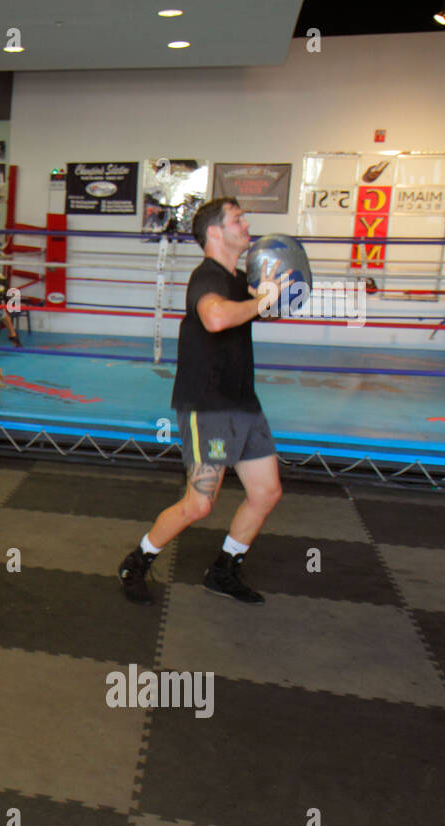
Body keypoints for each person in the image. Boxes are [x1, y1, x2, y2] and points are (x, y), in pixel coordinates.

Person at [118, 197, 285, 606]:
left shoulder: (239, 278)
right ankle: (136, 562)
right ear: (214, 232)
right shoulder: (206, 277)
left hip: (244, 404)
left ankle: (223, 570)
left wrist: (273, 294)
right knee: (199, 504)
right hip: (208, 407)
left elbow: (259, 311)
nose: (246, 225)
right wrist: (262, 301)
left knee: (266, 493)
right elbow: (214, 317)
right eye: (237, 219)